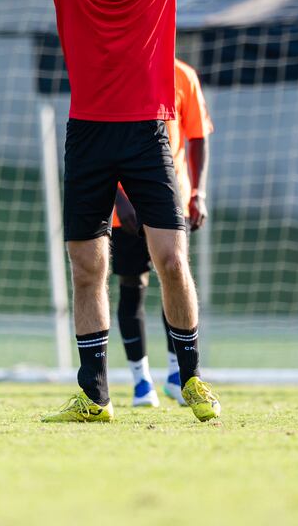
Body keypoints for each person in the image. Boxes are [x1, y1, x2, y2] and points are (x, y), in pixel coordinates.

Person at [0, 0, 274, 422]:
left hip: (147, 136)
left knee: (170, 259)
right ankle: (94, 394)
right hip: (87, 137)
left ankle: (190, 379)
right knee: (89, 266)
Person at [112, 58, 213, 407]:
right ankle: (141, 381)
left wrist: (197, 192)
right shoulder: (117, 71)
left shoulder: (183, 75)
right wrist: (118, 198)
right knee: (131, 286)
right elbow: (95, 143)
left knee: (174, 276)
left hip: (171, 200)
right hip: (124, 207)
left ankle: (176, 374)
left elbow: (198, 135)